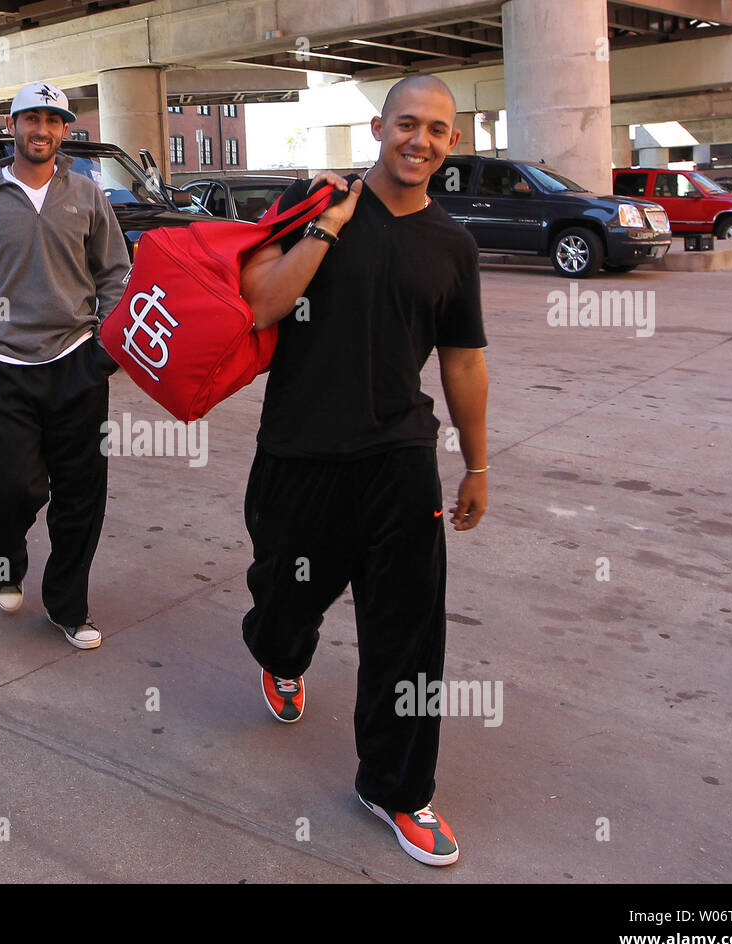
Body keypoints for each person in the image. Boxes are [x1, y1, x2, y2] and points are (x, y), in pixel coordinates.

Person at [239, 74, 489, 866]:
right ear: (380, 127)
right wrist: (329, 231)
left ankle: (397, 786)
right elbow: (260, 304)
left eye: (439, 131)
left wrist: (477, 463)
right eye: (407, 124)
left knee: (410, 634)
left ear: (454, 143)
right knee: (283, 604)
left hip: (400, 457)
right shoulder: (317, 201)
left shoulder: (453, 245)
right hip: (300, 452)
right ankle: (282, 654)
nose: (421, 141)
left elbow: (464, 360)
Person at [0, 82, 130, 650]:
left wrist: (105, 351)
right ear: (11, 126)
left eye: (53, 119)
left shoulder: (88, 195)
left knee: (81, 494)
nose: (40, 129)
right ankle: (4, 559)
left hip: (76, 364)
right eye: (30, 119)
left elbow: (116, 274)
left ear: (65, 128)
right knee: (4, 491)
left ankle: (68, 606)